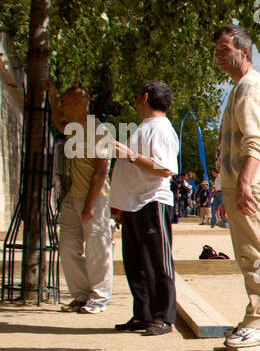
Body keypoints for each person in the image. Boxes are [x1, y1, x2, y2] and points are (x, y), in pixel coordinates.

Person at [213, 23, 260, 348]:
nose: (219, 56)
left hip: (249, 181)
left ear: (244, 51)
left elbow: (255, 141)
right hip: (241, 181)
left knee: (255, 251)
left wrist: (244, 183)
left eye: (225, 49)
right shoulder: (242, 87)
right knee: (248, 251)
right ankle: (256, 316)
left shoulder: (250, 87)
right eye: (216, 51)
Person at [108, 80, 179, 335]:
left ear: (145, 96)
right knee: (136, 262)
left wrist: (129, 155)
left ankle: (164, 315)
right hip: (134, 202)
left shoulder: (160, 128)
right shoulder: (145, 128)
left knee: (158, 260)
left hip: (151, 200)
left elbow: (165, 167)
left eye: (136, 96)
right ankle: (144, 312)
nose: (134, 101)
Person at [45, 81, 116, 314]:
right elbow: (58, 119)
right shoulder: (74, 129)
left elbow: (101, 170)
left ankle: (99, 297)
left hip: (96, 199)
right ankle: (80, 295)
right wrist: (53, 95)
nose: (62, 107)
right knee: (67, 247)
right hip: (73, 198)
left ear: (78, 104)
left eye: (65, 103)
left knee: (97, 249)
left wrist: (89, 204)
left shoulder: (100, 130)